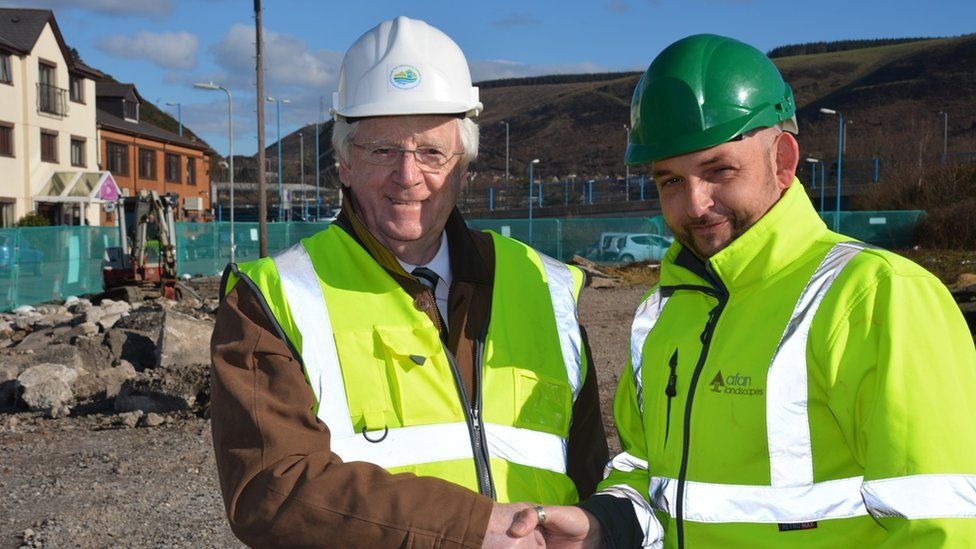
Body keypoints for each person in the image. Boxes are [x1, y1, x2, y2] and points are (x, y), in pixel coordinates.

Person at [509, 33, 976, 547]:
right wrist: (602, 526)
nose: (694, 204)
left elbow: (942, 525)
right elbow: (648, 471)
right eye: (669, 181)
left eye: (719, 170)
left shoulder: (876, 296)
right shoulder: (662, 315)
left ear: (783, 160)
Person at [209, 16, 607, 548]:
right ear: (344, 164)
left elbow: (589, 472)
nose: (408, 175)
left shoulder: (544, 285)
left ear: (463, 167)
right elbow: (269, 491)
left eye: (431, 152)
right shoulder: (272, 298)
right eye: (382, 150)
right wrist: (467, 529)